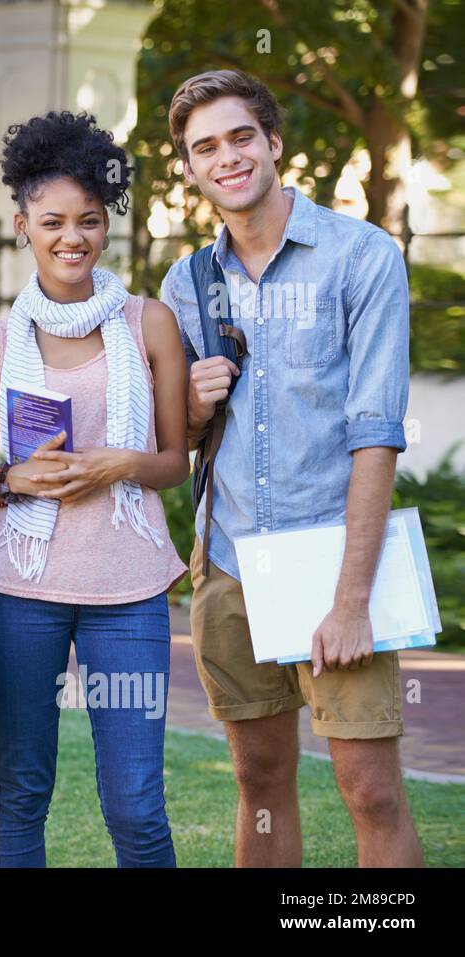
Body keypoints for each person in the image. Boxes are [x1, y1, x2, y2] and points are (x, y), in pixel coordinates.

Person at [160, 69, 422, 867]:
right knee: (259, 778)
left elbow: (376, 433)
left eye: (241, 137)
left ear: (273, 143)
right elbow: (177, 444)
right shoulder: (187, 283)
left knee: (369, 787)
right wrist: (198, 405)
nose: (226, 157)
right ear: (192, 169)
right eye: (206, 147)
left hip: (332, 558)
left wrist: (350, 599)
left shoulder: (361, 257)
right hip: (231, 561)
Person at [0, 111, 189, 867]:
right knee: (21, 791)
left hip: (128, 590)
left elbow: (174, 460)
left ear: (107, 223)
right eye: (52, 220)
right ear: (22, 223)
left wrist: (114, 464)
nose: (72, 237)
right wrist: (11, 478)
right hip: (22, 590)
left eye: (89, 220)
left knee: (135, 803)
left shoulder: (148, 323)